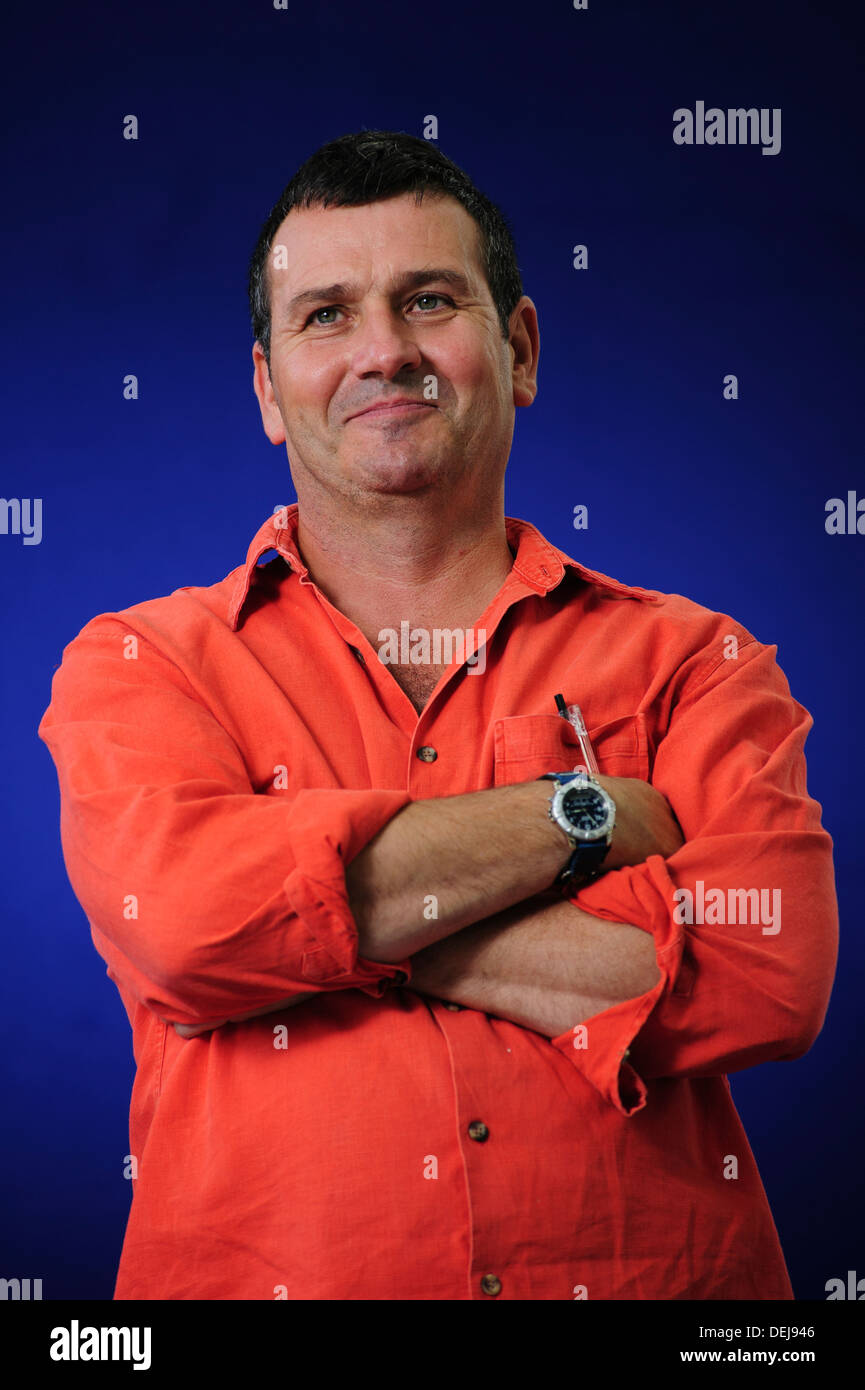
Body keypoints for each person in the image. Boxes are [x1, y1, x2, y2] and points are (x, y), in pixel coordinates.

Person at [38, 129, 838, 1301]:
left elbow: (767, 978)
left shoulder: (698, 661)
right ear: (268, 387)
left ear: (516, 350)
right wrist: (588, 818)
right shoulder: (143, 662)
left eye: (427, 301)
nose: (385, 352)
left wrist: (321, 930)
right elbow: (187, 929)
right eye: (325, 316)